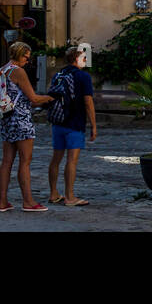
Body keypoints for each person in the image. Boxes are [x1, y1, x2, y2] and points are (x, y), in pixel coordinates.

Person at [0, 41, 54, 212]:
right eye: (26, 57)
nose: (27, 61)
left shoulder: (3, 69)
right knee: (25, 161)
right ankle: (28, 202)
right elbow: (33, 98)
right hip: (21, 119)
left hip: (7, 119)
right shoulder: (18, 71)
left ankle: (3, 202)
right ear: (19, 55)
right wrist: (52, 98)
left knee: (6, 161)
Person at [47, 45, 97, 207]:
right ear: (76, 59)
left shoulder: (59, 75)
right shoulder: (83, 76)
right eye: (83, 58)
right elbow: (88, 102)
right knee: (71, 161)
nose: (85, 60)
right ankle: (70, 197)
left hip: (58, 121)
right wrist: (93, 125)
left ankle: (54, 194)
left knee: (56, 159)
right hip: (75, 122)